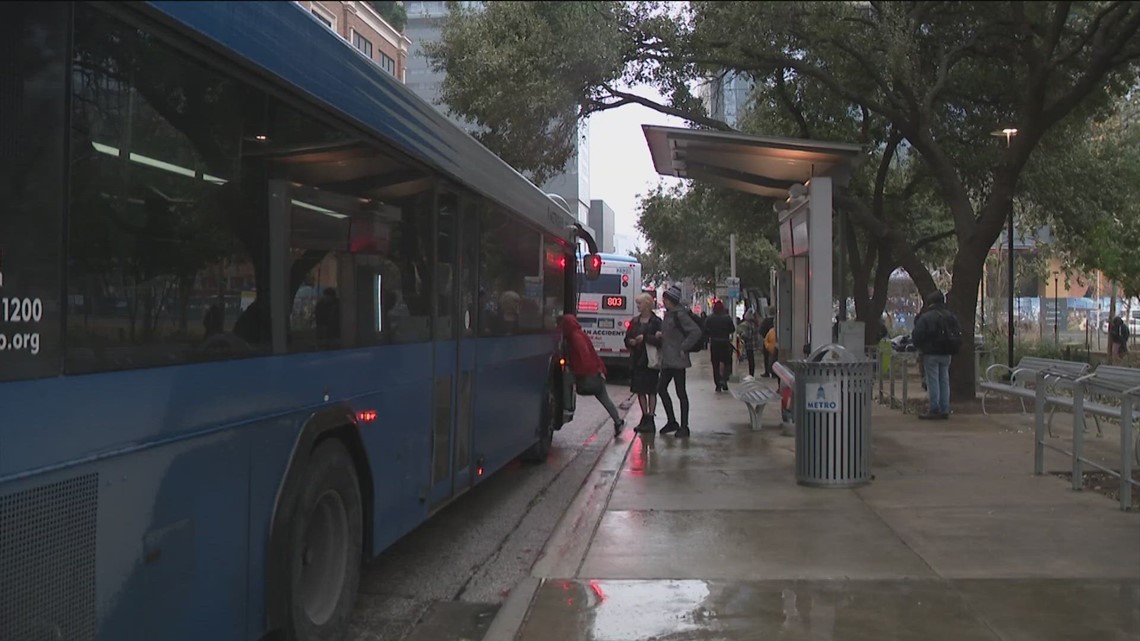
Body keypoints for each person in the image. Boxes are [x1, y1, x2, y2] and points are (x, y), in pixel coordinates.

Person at [561, 314, 625, 436]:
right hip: (597, 371)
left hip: (589, 372)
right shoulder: (580, 334)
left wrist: (578, 371)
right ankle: (618, 421)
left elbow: (584, 356)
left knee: (567, 379)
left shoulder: (575, 337)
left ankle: (567, 407)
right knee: (604, 398)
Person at [658, 284, 702, 437]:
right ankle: (672, 421)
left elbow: (695, 332)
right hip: (668, 359)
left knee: (680, 392)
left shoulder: (679, 315)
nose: (663, 302)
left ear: (671, 300)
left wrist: (684, 347)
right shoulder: (669, 314)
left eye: (665, 299)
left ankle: (684, 425)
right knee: (661, 388)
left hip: (677, 359)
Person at [911, 290, 961, 420]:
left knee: (932, 380)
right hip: (946, 353)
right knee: (944, 379)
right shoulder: (950, 316)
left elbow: (917, 335)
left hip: (931, 353)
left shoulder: (926, 317)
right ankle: (945, 408)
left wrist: (921, 347)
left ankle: (934, 408)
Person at [625, 292, 663, 433]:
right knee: (640, 390)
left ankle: (650, 418)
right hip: (637, 359)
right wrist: (631, 342)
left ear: (647, 305)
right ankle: (645, 416)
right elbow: (627, 338)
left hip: (651, 360)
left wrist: (646, 337)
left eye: (640, 304)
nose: (638, 306)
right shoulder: (635, 321)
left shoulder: (656, 322)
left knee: (651, 391)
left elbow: (660, 341)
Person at [705, 300, 736, 392]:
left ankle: (718, 384)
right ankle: (724, 380)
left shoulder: (710, 318)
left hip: (714, 343)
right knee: (728, 363)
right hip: (725, 343)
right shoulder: (727, 318)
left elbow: (705, 330)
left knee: (715, 365)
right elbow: (732, 329)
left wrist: (711, 335)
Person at [737, 309, 761, 377]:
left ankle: (751, 374)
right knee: (751, 359)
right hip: (754, 344)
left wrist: (742, 335)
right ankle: (751, 373)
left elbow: (748, 335)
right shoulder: (755, 324)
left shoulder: (747, 324)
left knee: (750, 359)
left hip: (749, 344)